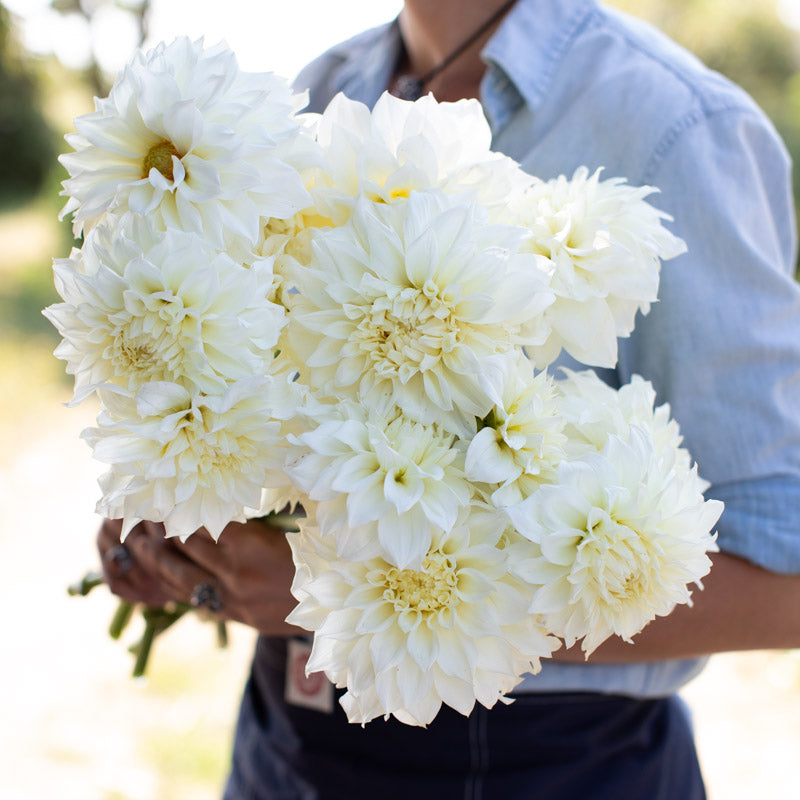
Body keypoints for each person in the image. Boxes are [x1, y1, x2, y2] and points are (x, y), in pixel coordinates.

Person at [98, 1, 800, 797]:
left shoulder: (681, 125)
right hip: (283, 738)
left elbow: (786, 585)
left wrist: (325, 598)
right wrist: (178, 521)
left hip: (539, 765)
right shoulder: (321, 88)